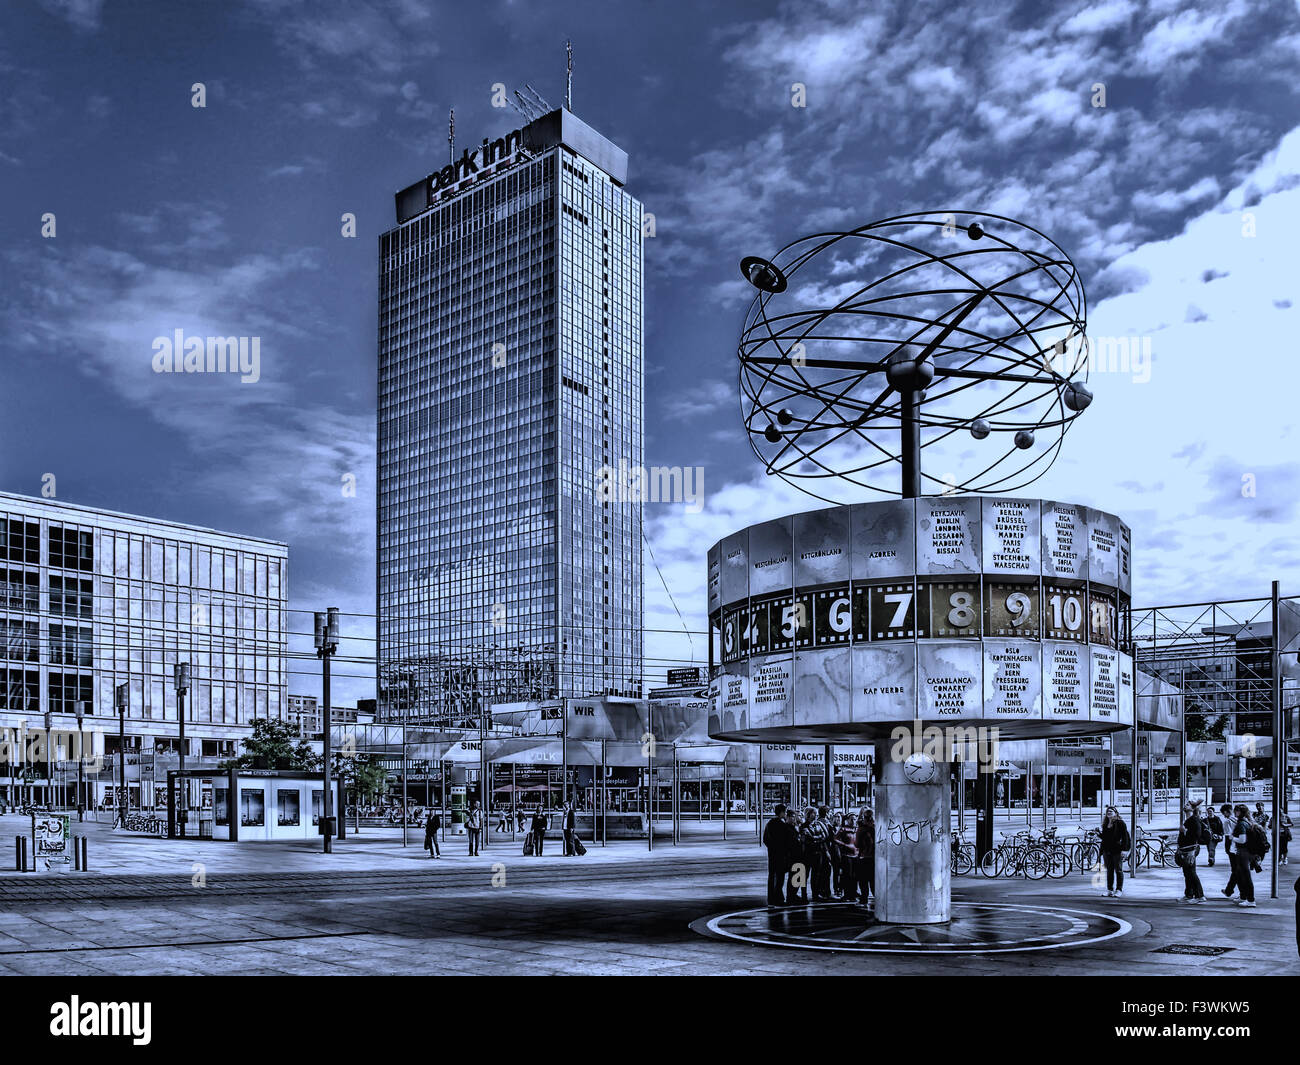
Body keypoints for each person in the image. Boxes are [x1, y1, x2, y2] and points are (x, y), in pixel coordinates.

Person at [762, 803, 793, 905]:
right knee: (780, 877)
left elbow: (765, 839)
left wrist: (772, 848)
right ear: (782, 812)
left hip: (772, 854)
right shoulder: (782, 825)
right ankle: (778, 898)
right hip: (781, 855)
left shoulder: (770, 824)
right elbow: (788, 840)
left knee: (772, 876)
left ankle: (771, 898)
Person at [1176, 803, 1205, 903]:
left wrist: (1184, 832)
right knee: (1187, 873)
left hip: (1190, 849)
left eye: (1188, 805)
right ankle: (1189, 894)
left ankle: (1199, 896)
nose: (1185, 806)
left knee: (1191, 872)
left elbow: (1197, 835)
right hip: (1186, 849)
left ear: (1192, 808)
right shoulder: (1188, 820)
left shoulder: (1194, 820)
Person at [1229, 805, 1257, 907]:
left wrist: (1232, 837)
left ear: (1238, 812)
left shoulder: (1241, 824)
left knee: (1246, 876)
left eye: (1235, 811)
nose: (1234, 813)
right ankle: (1244, 897)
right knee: (1241, 875)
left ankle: (1250, 900)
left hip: (1243, 852)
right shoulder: (1247, 822)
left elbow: (1242, 840)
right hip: (1248, 852)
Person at [1099, 805, 1130, 897]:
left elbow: (1125, 837)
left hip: (1117, 850)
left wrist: (1125, 849)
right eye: (1108, 811)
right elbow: (1105, 838)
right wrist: (1098, 834)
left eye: (1111, 811)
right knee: (1109, 870)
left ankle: (1119, 889)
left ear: (1116, 813)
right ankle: (1109, 889)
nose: (1109, 812)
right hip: (1107, 850)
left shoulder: (1120, 823)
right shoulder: (1105, 824)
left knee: (1118, 870)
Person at [835, 813, 858, 901]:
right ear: (847, 820)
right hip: (847, 855)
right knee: (847, 875)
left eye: (854, 819)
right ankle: (847, 894)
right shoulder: (843, 829)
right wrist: (844, 845)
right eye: (851, 819)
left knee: (855, 876)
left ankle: (853, 893)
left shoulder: (857, 829)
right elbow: (835, 839)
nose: (853, 821)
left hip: (856, 855)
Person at [784, 807, 806, 903]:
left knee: (798, 875)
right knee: (794, 876)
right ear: (787, 817)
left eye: (794, 817)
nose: (794, 819)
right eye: (792, 817)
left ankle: (794, 894)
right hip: (793, 856)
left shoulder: (795, 828)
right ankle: (791, 896)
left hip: (798, 855)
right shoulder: (787, 828)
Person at [855, 810, 875, 906]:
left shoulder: (861, 829)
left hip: (864, 856)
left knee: (863, 880)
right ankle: (877, 897)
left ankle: (864, 898)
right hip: (874, 857)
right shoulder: (876, 827)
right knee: (873, 880)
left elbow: (857, 844)